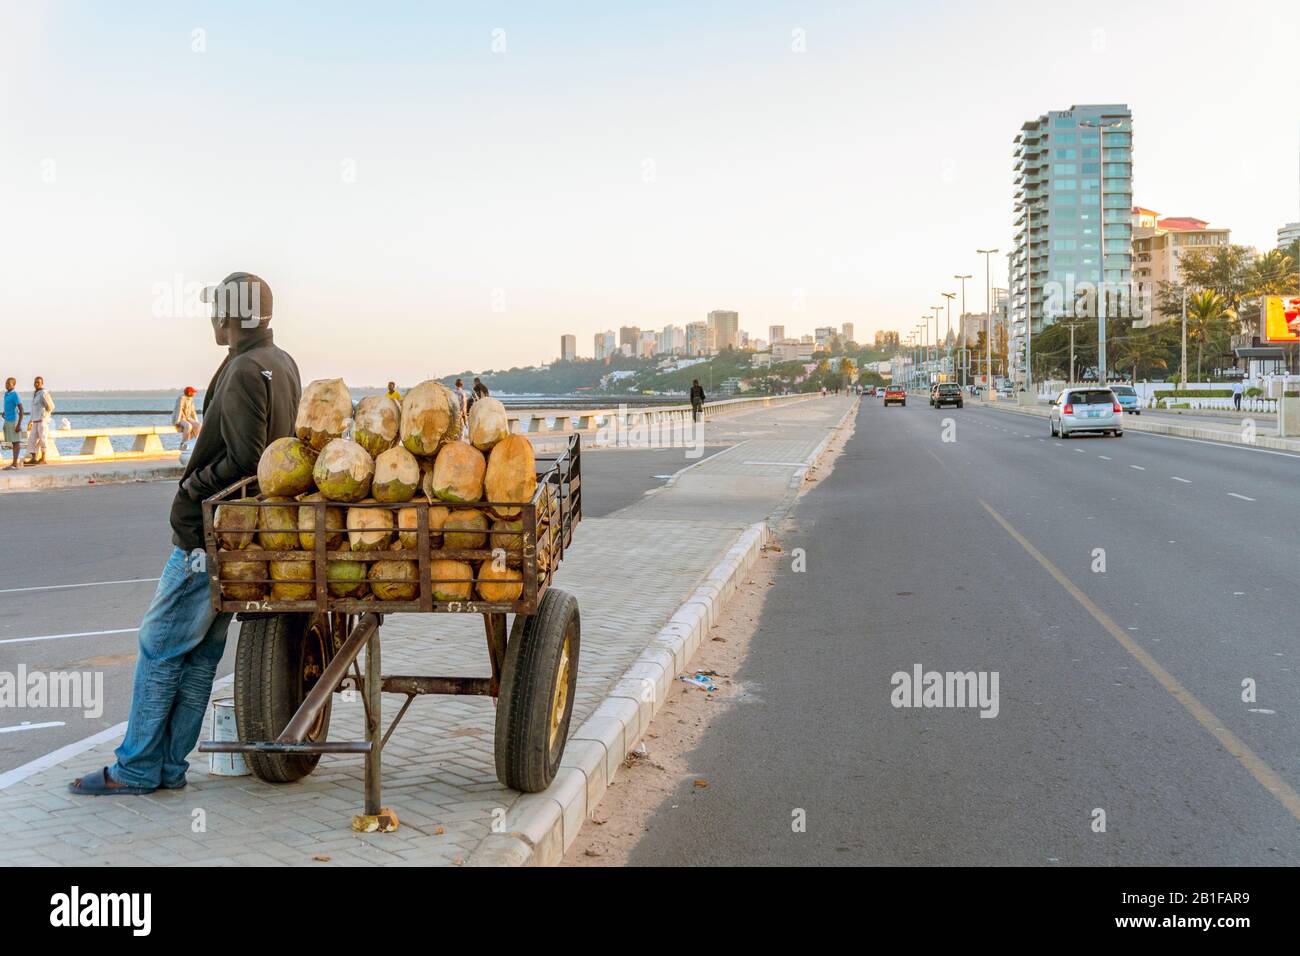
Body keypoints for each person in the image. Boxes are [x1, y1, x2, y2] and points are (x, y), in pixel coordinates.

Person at [70, 272, 300, 796]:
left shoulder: (244, 369)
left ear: (233, 316)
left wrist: (195, 484)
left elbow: (246, 458)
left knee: (160, 645)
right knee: (198, 653)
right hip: (243, 533)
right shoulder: (281, 363)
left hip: (209, 534)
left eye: (217, 309)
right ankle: (169, 767)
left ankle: (136, 769)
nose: (211, 319)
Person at [24, 376, 55, 465]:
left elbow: (51, 407)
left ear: (42, 383)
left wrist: (45, 416)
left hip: (42, 421)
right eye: (35, 382)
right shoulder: (36, 393)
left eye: (38, 382)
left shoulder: (43, 393)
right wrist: (31, 420)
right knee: (31, 440)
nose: (36, 384)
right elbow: (34, 409)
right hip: (35, 421)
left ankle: (43, 458)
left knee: (43, 439)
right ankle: (34, 458)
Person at [2, 378, 24, 470]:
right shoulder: (6, 394)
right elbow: (10, 406)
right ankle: (14, 463)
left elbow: (21, 410)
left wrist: (18, 424)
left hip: (14, 421)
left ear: (14, 385)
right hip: (7, 420)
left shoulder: (15, 394)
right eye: (6, 383)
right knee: (11, 441)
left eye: (9, 383)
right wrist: (5, 412)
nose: (7, 385)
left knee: (16, 442)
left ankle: (15, 464)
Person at [173, 386, 200, 450]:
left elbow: (193, 411)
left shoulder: (191, 400)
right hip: (180, 418)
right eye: (193, 392)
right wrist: (177, 421)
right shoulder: (181, 399)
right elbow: (178, 410)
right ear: (190, 393)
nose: (194, 394)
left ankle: (193, 442)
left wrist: (196, 421)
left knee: (199, 425)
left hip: (187, 418)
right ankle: (183, 444)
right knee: (189, 426)